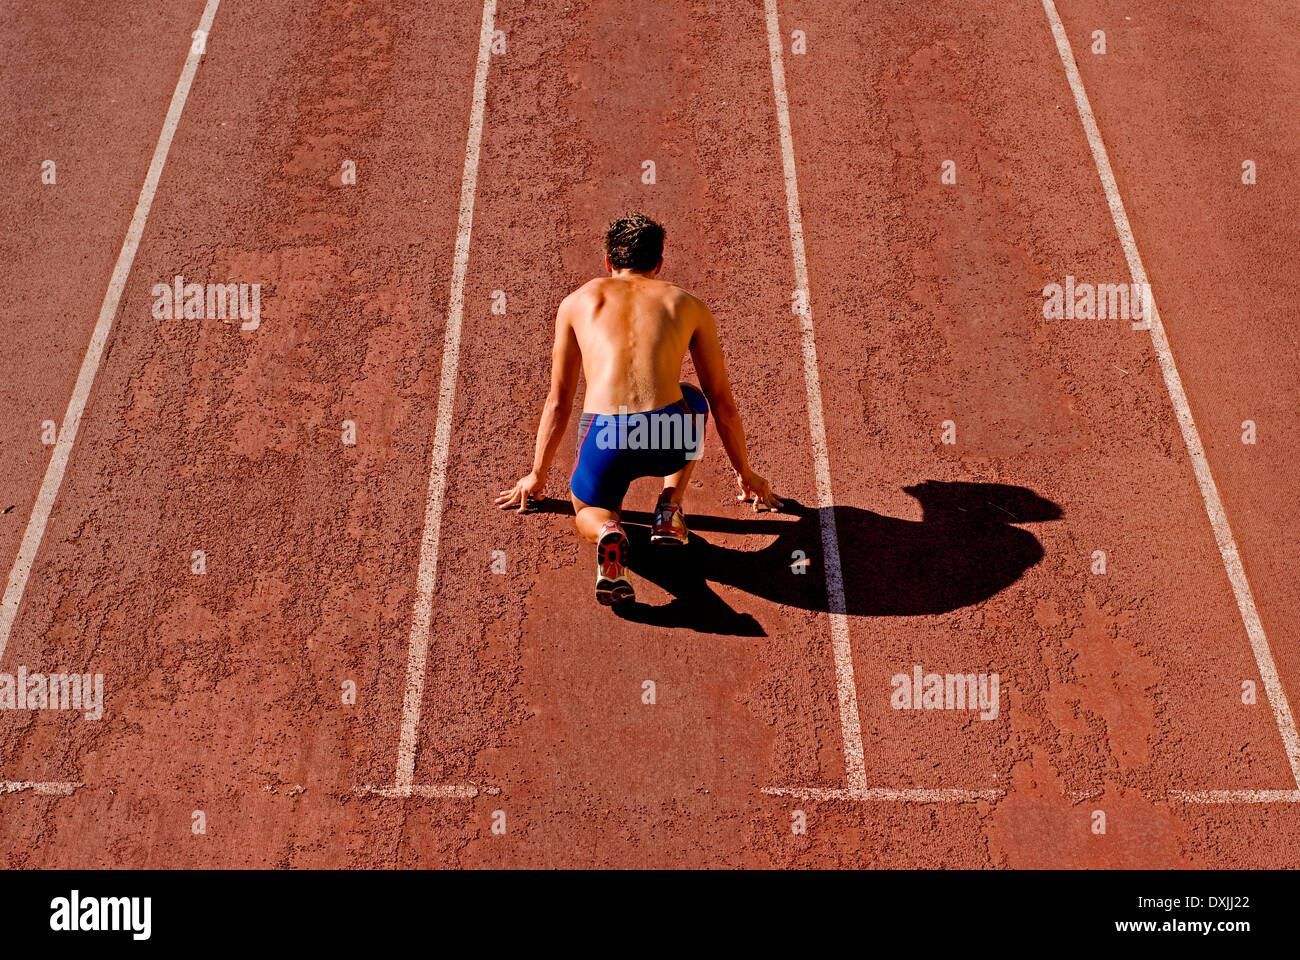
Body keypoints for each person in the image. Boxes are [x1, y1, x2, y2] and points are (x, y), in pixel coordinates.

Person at [496, 213, 779, 605]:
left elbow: (558, 401)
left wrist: (536, 475)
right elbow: (723, 404)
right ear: (659, 263)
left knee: (588, 511)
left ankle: (609, 530)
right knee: (693, 399)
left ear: (608, 262)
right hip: (667, 436)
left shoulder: (577, 303)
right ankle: (668, 508)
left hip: (606, 438)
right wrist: (745, 473)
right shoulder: (688, 305)